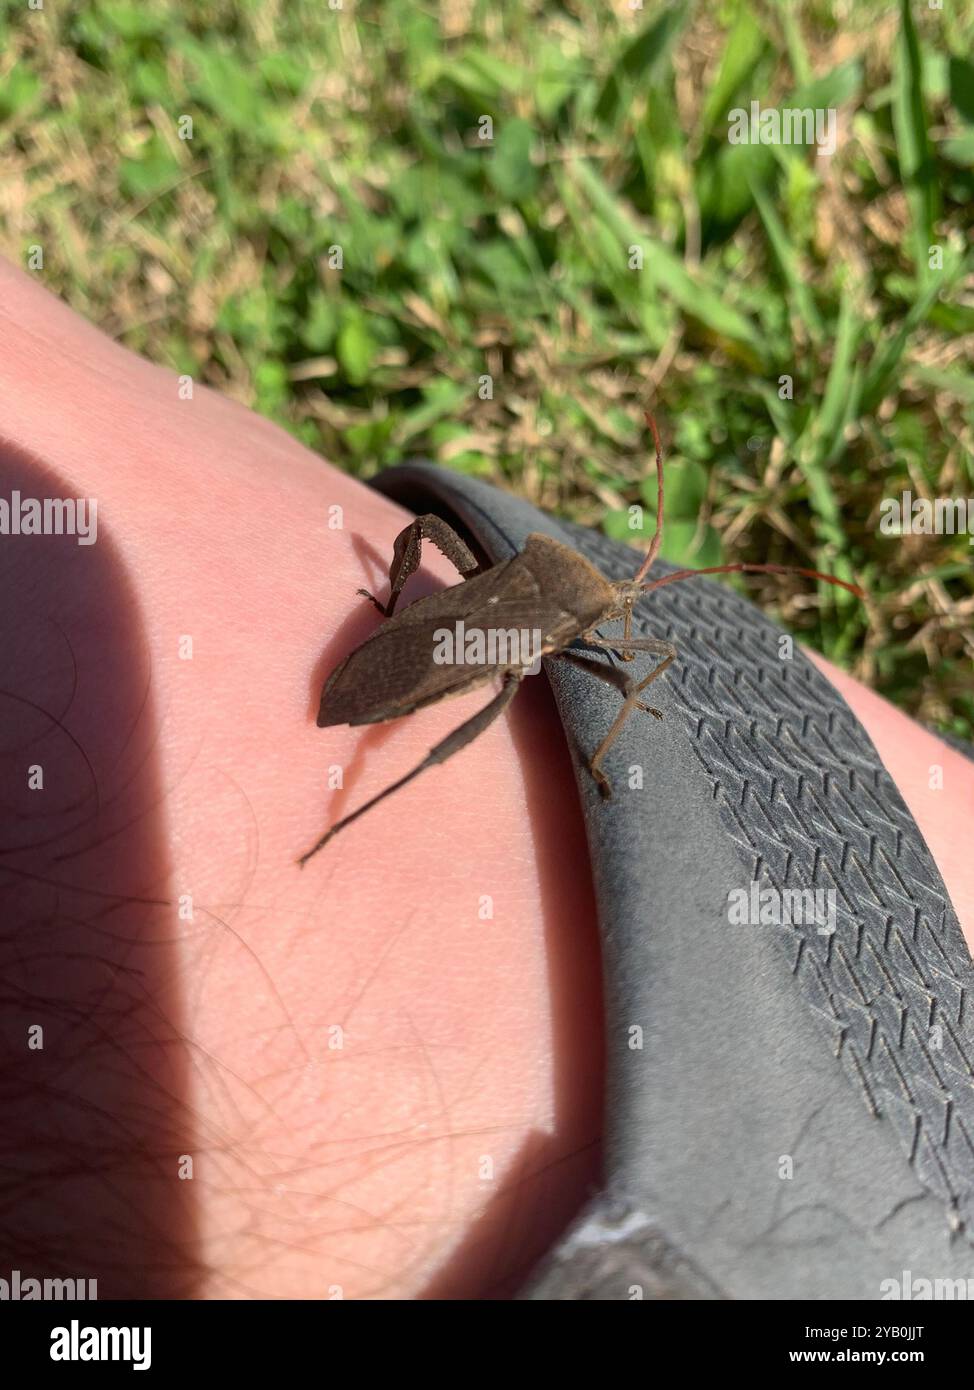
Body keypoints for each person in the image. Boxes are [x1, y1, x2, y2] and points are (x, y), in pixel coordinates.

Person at [1, 256, 971, 1299]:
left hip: (444, 619)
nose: (631, 594)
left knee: (446, 585)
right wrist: (602, 745)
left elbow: (576, 621)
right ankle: (335, 824)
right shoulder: (586, 620)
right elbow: (635, 667)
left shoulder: (553, 576)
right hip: (444, 657)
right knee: (511, 709)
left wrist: (399, 609)